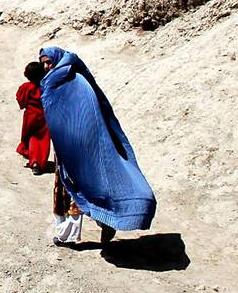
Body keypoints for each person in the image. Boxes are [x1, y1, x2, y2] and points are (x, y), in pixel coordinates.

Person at [39, 46, 156, 245]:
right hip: (63, 148)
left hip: (81, 149)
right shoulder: (51, 83)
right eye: (44, 64)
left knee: (80, 189)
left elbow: (91, 113)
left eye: (49, 62)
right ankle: (90, 226)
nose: (47, 66)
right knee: (69, 191)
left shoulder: (77, 82)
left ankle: (75, 232)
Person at [15, 61, 50, 174]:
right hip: (43, 117)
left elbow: (21, 103)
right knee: (42, 140)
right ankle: (39, 162)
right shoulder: (46, 87)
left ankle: (33, 160)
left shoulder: (25, 87)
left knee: (30, 137)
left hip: (30, 116)